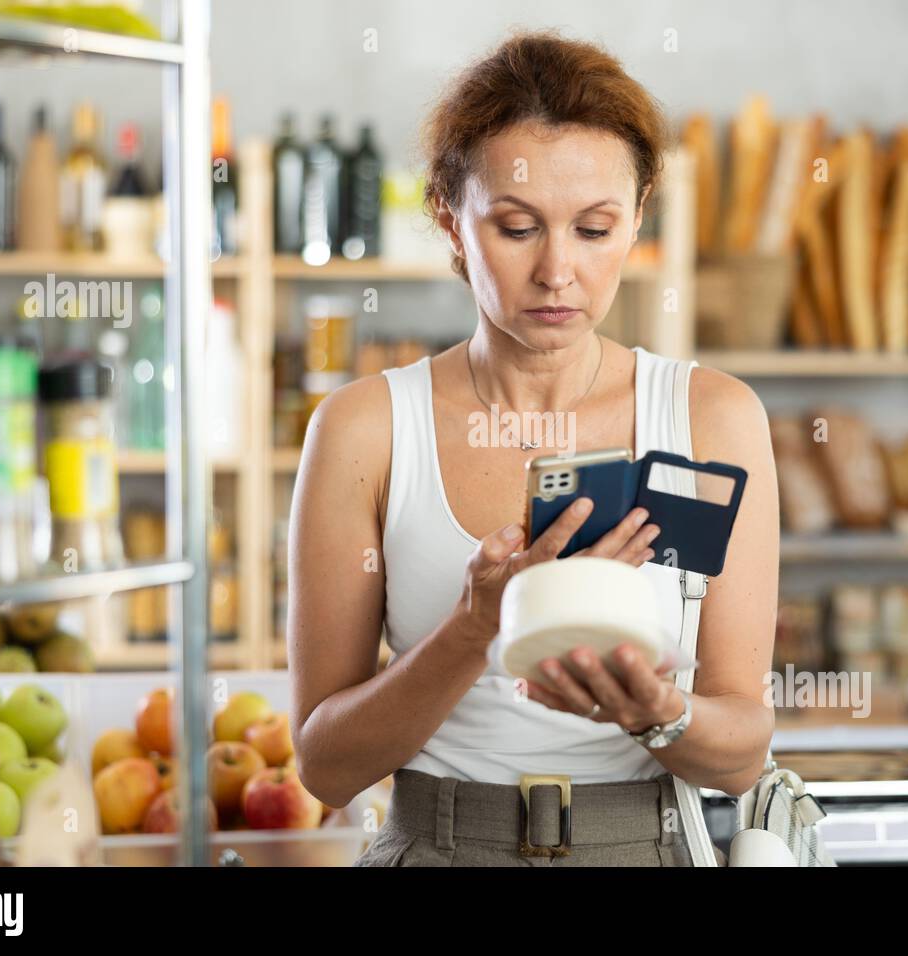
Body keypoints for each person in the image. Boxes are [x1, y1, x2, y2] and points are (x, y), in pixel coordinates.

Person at [287, 29, 779, 866]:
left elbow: (740, 756)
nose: (558, 271)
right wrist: (476, 625)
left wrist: (653, 709)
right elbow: (327, 767)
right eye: (517, 228)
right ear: (450, 220)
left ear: (639, 217)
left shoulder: (712, 418)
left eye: (595, 228)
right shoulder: (363, 428)